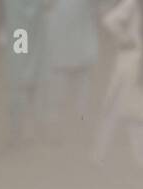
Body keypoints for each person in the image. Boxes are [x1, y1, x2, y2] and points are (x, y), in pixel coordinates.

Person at [91, 0, 143, 168]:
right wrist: (124, 38)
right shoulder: (132, 3)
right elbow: (110, 20)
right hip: (131, 62)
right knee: (126, 110)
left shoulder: (141, 5)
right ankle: (100, 156)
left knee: (135, 110)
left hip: (138, 61)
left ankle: (142, 160)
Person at [39, 0, 97, 145]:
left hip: (70, 53)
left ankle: (70, 132)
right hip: (67, 53)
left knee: (65, 98)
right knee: (66, 97)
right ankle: (61, 132)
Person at [1, 0, 45, 148]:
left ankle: (20, 130)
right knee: (26, 80)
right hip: (24, 37)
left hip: (21, 37)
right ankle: (23, 130)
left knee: (21, 82)